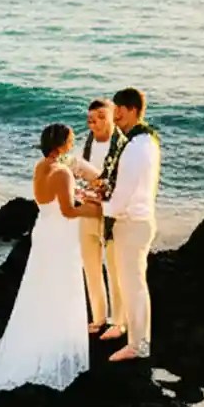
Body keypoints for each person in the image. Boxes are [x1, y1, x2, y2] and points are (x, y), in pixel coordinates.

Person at [0, 123, 102, 407]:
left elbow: (51, 200)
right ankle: (57, 345)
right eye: (71, 141)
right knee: (62, 288)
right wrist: (98, 208)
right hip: (59, 237)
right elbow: (68, 211)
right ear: (61, 145)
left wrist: (80, 195)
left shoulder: (41, 166)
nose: (73, 144)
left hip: (44, 231)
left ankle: (40, 337)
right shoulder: (62, 172)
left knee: (41, 289)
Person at [90, 87, 161, 362]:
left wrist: (98, 204)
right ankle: (132, 334)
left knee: (134, 285)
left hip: (131, 224)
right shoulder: (148, 142)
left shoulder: (134, 148)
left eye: (119, 108)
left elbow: (121, 200)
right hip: (140, 221)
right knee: (133, 283)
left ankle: (138, 344)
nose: (114, 114)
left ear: (132, 110)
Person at [70, 99, 128, 335]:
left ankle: (119, 321)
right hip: (88, 210)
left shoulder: (124, 146)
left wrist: (103, 191)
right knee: (91, 267)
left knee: (115, 269)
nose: (96, 123)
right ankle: (98, 318)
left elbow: (126, 184)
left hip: (113, 214)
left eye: (102, 117)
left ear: (114, 116)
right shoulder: (88, 142)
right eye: (92, 118)